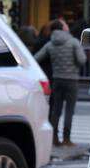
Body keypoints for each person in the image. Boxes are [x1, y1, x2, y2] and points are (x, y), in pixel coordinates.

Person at [35, 17, 86, 147]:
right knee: (69, 110)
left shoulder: (50, 44)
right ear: (63, 29)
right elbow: (81, 60)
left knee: (56, 110)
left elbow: (36, 58)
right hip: (72, 80)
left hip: (57, 80)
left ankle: (54, 139)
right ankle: (67, 139)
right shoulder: (73, 42)